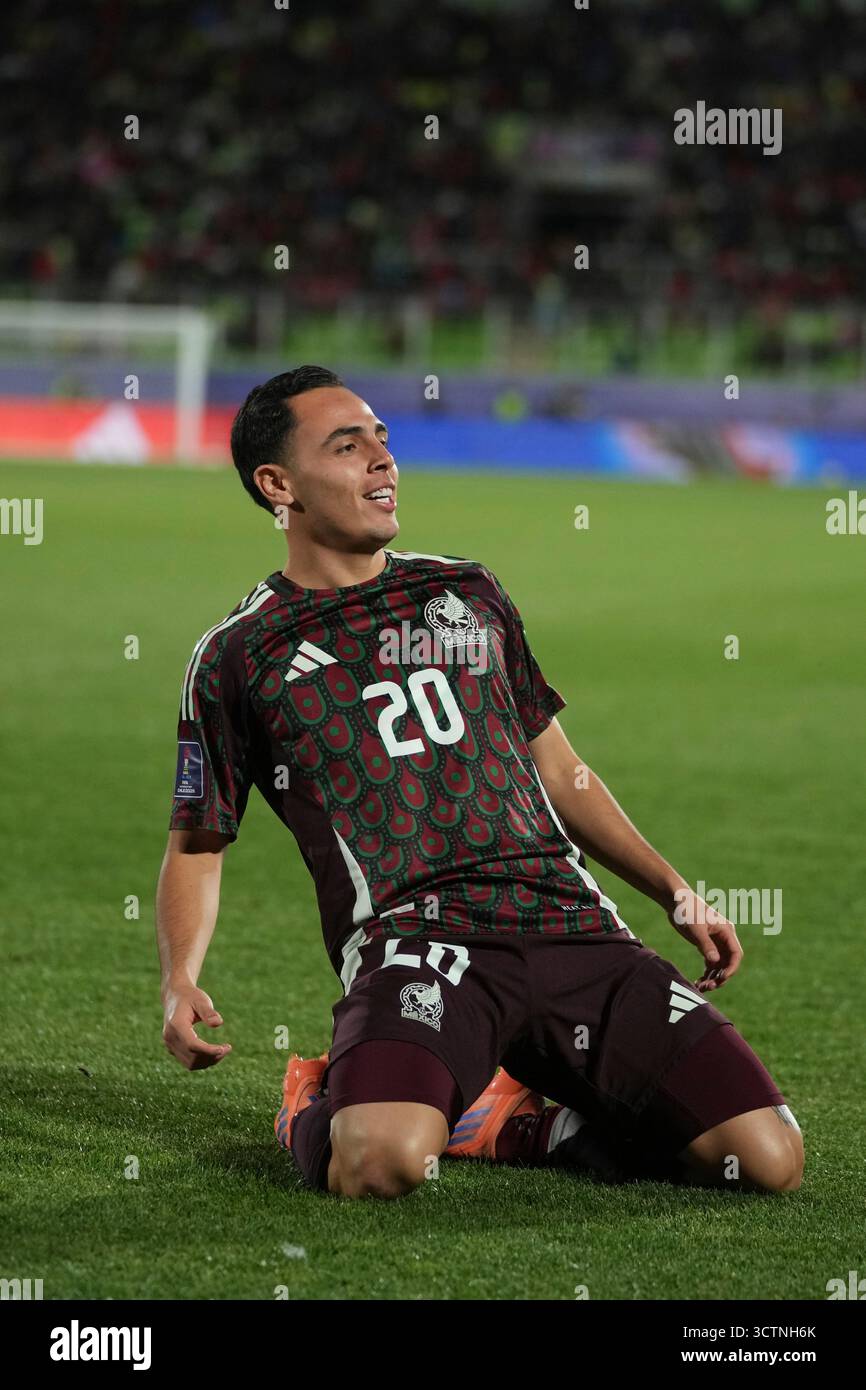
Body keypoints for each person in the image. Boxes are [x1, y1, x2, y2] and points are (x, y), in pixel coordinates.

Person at [156, 366, 803, 1200]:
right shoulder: (241, 656)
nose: (382, 461)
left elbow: (562, 770)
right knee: (379, 1162)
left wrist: (675, 892)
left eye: (383, 441)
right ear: (277, 484)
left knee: (765, 1161)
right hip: (419, 943)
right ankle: (318, 1099)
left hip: (570, 926)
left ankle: (521, 1115)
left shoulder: (465, 592)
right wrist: (179, 978)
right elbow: (199, 841)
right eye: (348, 447)